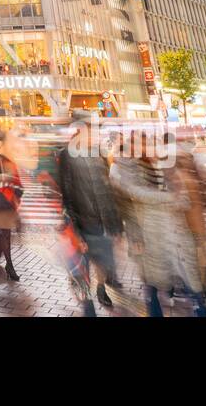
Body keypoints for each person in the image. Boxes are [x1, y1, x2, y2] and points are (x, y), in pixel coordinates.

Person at [109, 132, 206, 317]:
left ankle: (201, 310)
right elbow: (131, 202)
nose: (148, 147)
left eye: (148, 143)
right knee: (152, 286)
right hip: (148, 238)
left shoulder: (166, 165)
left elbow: (185, 199)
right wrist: (135, 237)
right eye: (141, 144)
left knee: (191, 284)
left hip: (176, 236)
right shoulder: (126, 170)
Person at [56, 118, 123, 309]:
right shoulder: (67, 156)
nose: (96, 136)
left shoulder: (99, 155)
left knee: (102, 261)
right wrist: (76, 232)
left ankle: (101, 288)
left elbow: (107, 189)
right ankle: (87, 305)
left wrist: (116, 225)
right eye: (92, 133)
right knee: (82, 267)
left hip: (102, 220)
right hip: (82, 221)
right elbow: (67, 195)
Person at [0, 129, 24, 282]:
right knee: (2, 235)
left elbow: (17, 179)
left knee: (5, 235)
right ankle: (8, 264)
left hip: (9, 201)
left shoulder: (10, 158)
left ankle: (6, 263)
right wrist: (4, 176)